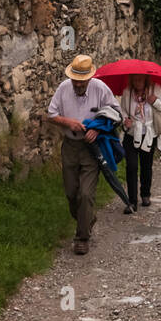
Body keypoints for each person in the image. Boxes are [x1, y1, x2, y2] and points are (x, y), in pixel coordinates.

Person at [47, 54, 115, 255]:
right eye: (75, 79)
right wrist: (68, 122)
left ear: (89, 78)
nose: (77, 83)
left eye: (81, 80)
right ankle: (88, 219)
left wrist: (98, 129)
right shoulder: (63, 88)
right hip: (69, 146)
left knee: (85, 194)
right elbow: (51, 114)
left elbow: (114, 113)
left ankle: (82, 238)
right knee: (71, 193)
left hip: (91, 149)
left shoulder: (100, 89)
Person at [120, 74, 161, 212]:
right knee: (131, 166)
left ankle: (145, 195)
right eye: (135, 80)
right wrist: (125, 119)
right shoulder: (127, 92)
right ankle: (132, 202)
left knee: (146, 166)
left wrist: (155, 101)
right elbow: (122, 109)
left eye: (140, 80)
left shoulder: (155, 89)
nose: (138, 82)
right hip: (131, 134)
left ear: (146, 79)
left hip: (149, 134)